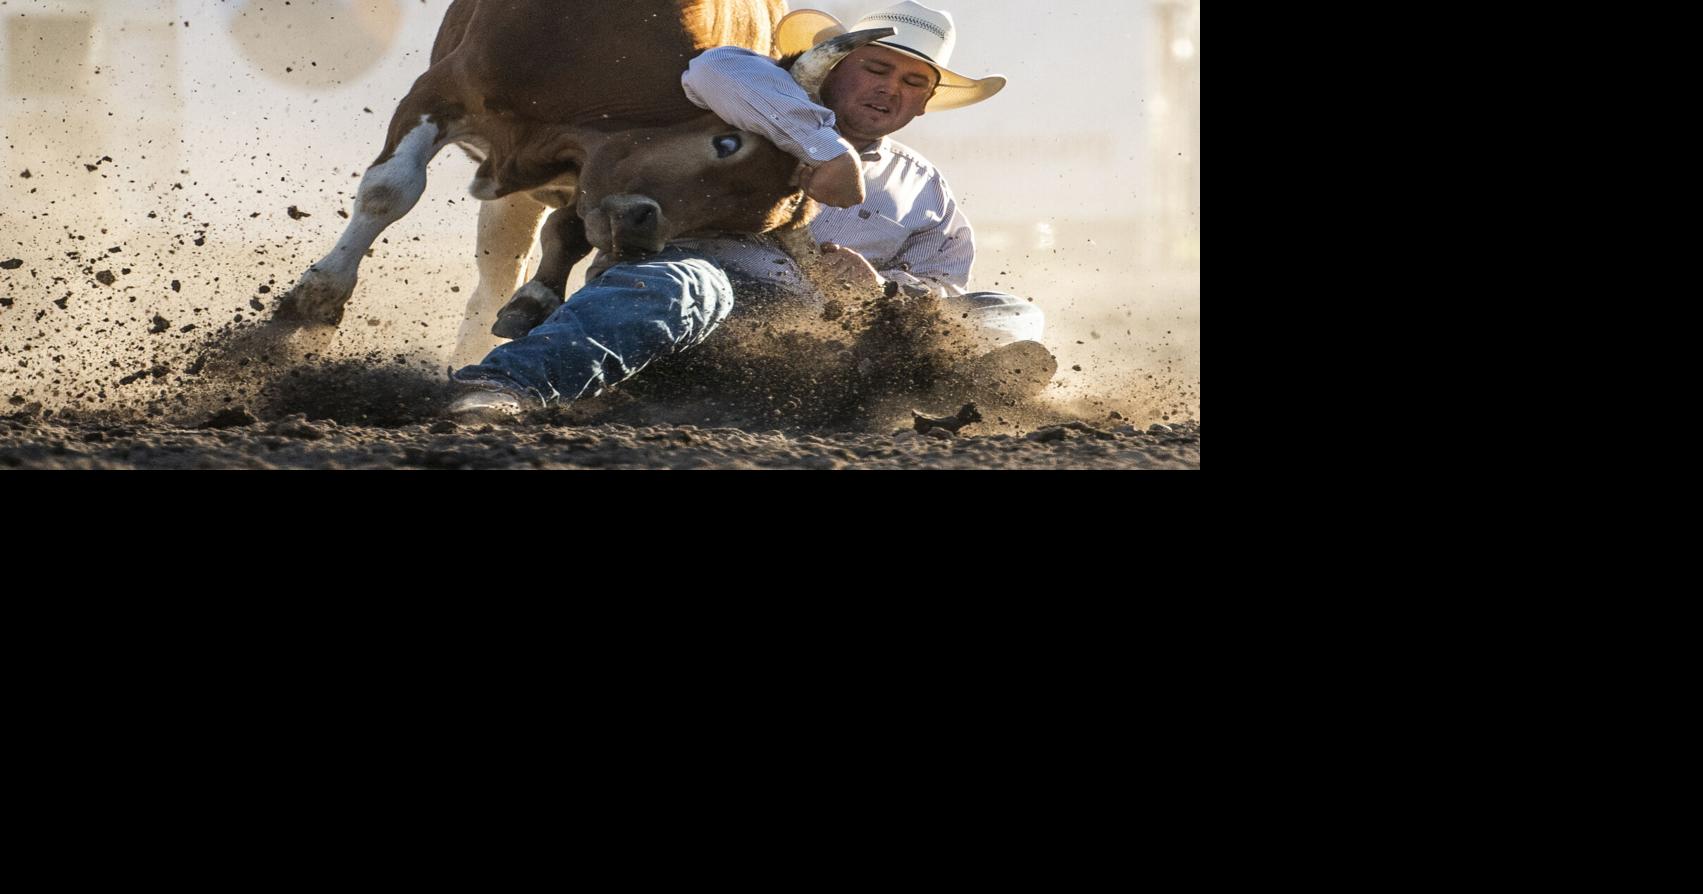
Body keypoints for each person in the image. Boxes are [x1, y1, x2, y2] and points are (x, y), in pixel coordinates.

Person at [449, 2, 1053, 420]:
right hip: (704, 311)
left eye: (914, 82)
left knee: (1009, 310)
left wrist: (886, 291)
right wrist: (824, 146)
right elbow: (712, 66)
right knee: (685, 283)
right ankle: (507, 386)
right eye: (875, 67)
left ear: (924, 105)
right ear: (835, 65)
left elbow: (942, 284)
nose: (890, 88)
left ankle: (975, 391)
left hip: (826, 354)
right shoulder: (742, 106)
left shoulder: (923, 188)